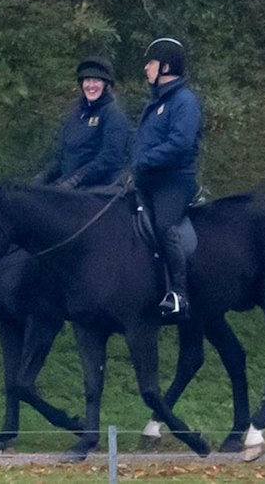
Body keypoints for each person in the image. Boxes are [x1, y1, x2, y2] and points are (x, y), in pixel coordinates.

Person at [130, 37, 202, 319]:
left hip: (174, 182)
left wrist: (143, 161)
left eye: (151, 62)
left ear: (166, 66)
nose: (146, 68)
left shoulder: (185, 102)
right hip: (148, 180)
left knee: (164, 225)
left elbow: (180, 144)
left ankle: (179, 296)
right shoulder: (156, 103)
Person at [35, 56, 130, 189]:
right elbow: (61, 157)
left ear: (105, 84)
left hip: (99, 188)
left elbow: (110, 157)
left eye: (96, 80)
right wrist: (42, 179)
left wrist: (76, 180)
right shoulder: (74, 115)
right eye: (87, 80)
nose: (91, 86)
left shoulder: (112, 114)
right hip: (69, 185)